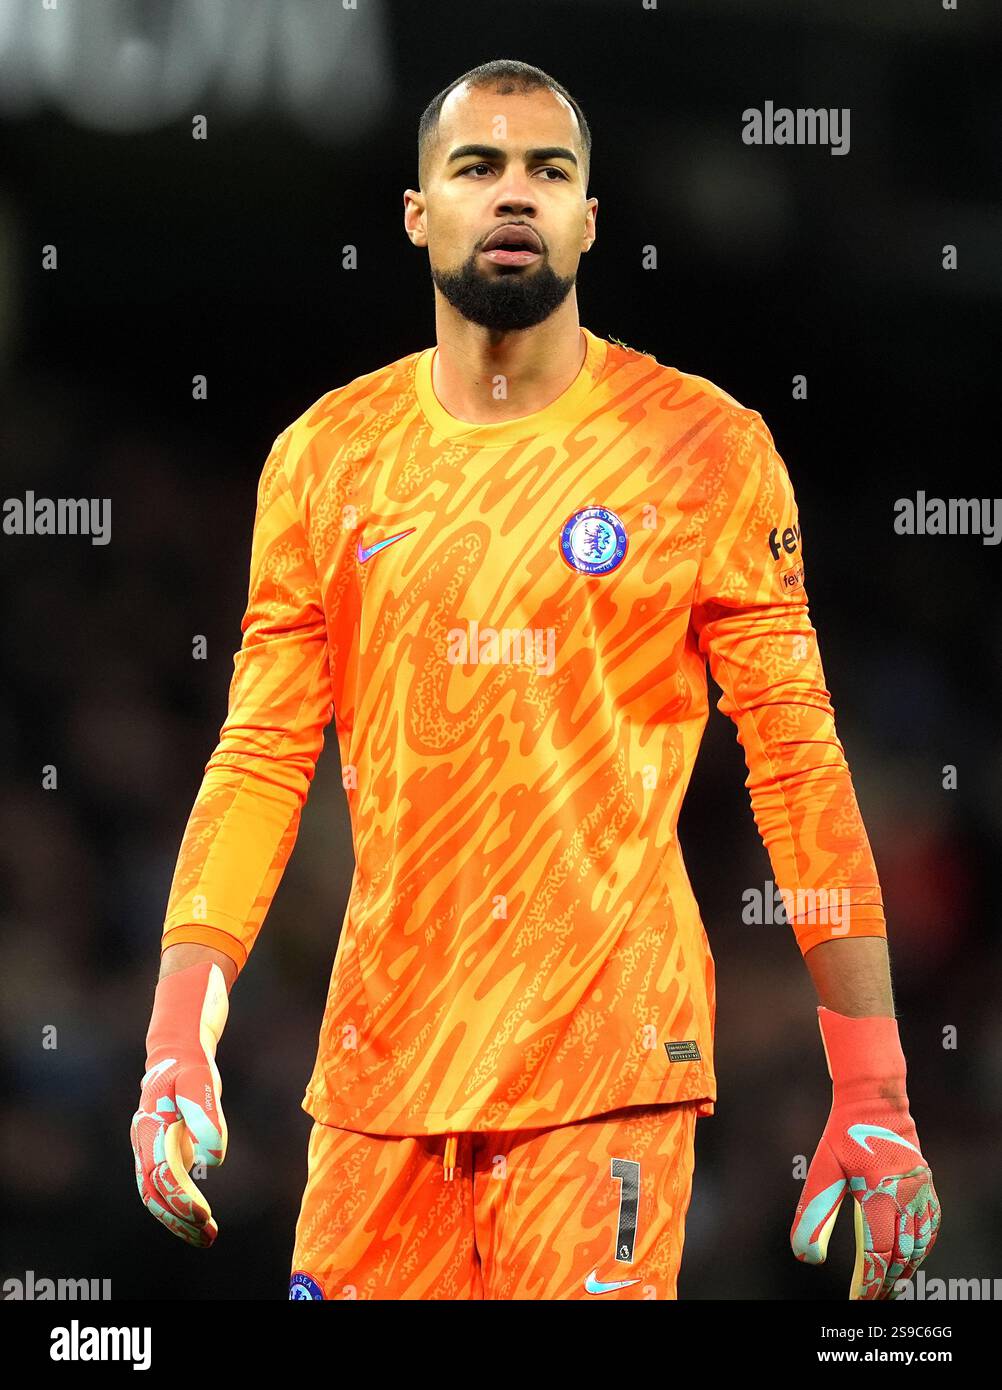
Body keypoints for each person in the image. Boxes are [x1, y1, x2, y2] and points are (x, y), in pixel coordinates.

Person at [130, 59, 940, 1301]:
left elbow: (796, 761)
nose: (516, 194)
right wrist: (176, 1033)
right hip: (379, 1074)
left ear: (588, 220)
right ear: (418, 212)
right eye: (478, 166)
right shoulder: (323, 460)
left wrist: (874, 1085)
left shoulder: (703, 449)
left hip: (604, 1064)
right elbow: (259, 755)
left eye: (548, 171)